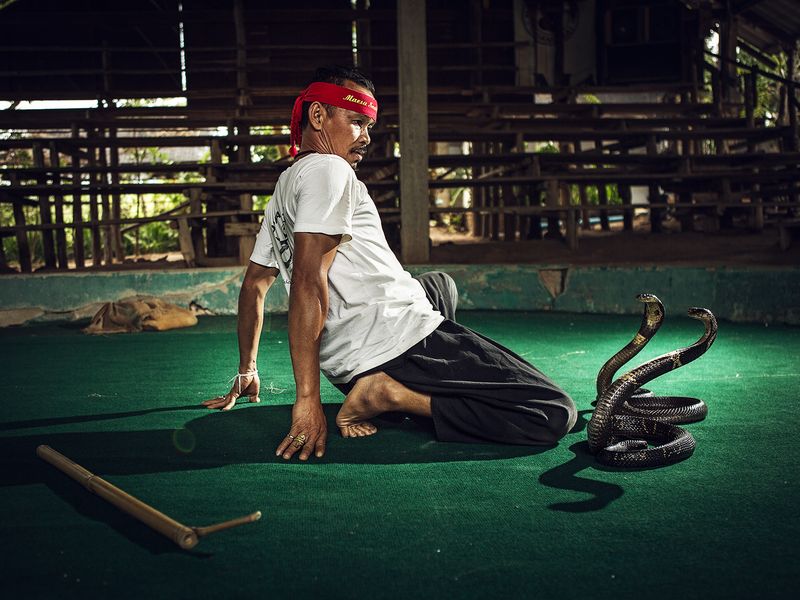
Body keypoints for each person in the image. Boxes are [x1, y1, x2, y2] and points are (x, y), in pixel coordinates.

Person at [203, 65, 576, 461]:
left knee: (439, 285)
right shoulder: (330, 169)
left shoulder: (285, 186)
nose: (366, 138)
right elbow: (310, 283)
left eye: (369, 127)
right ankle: (390, 393)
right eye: (356, 122)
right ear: (317, 116)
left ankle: (386, 384)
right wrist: (308, 400)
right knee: (552, 412)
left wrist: (248, 368)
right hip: (393, 337)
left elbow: (254, 285)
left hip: (353, 359)